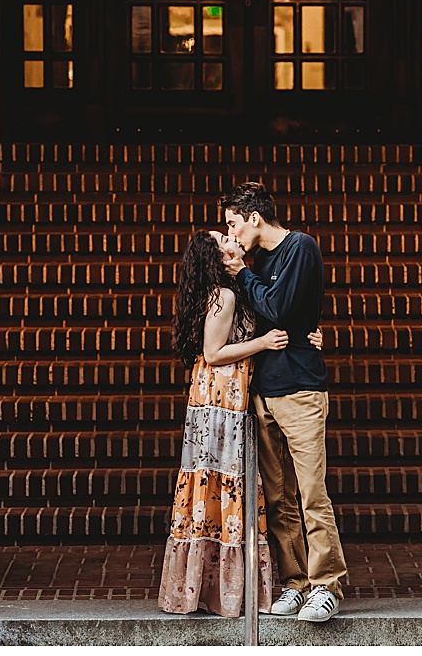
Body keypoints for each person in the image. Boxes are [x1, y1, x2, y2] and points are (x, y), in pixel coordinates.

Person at [219, 181, 347, 623]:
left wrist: (242, 274)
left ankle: (326, 585)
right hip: (264, 391)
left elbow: (279, 308)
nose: (232, 234)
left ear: (254, 218)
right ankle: (297, 583)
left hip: (301, 390)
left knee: (312, 494)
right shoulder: (258, 262)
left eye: (233, 224)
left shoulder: (300, 248)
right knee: (279, 499)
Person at [159, 230, 282, 616]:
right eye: (222, 238)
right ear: (216, 256)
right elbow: (213, 353)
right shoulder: (223, 295)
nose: (232, 237)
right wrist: (263, 343)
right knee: (222, 486)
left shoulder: (230, 290)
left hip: (220, 397)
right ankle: (220, 592)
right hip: (219, 400)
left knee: (215, 486)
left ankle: (207, 588)